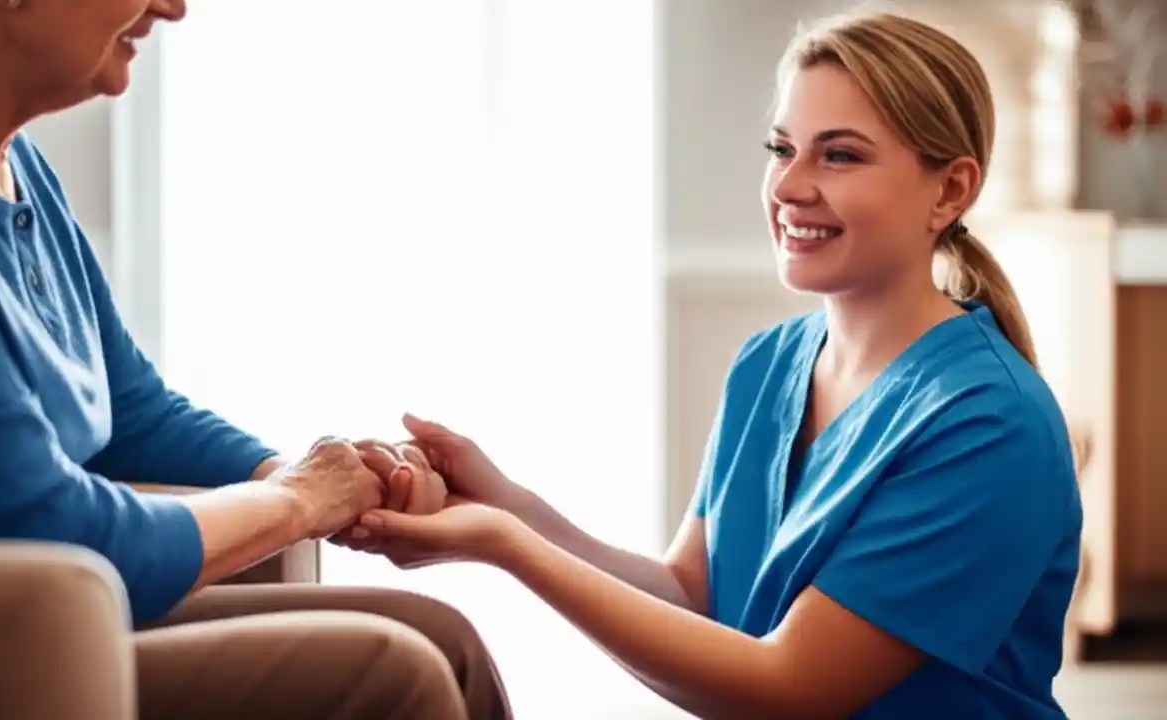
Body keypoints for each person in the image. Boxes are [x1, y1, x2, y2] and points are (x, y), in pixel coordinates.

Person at [342, 12, 1083, 719]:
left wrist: (507, 548)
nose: (790, 187)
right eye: (781, 149)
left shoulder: (989, 426)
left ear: (950, 189)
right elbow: (693, 595)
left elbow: (787, 690)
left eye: (840, 154)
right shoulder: (767, 366)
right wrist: (508, 507)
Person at [0, 1, 509, 718]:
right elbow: (52, 530)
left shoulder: (17, 166)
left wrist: (311, 473)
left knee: (442, 641)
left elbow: (132, 413)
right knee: (396, 674)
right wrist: (298, 500)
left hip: (37, 631)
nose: (172, 6)